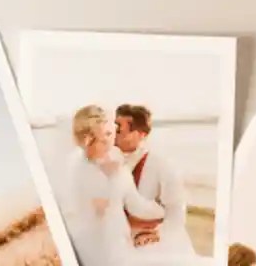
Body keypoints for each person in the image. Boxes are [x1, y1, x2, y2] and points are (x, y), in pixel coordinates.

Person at [62, 105, 166, 266]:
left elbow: (134, 203)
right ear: (87, 139)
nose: (112, 140)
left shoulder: (115, 160)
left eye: (113, 133)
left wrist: (162, 210)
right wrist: (109, 181)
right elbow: (87, 213)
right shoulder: (74, 167)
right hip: (91, 250)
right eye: (107, 134)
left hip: (120, 247)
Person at [115, 104, 195, 256]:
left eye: (120, 130)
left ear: (141, 134)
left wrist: (158, 235)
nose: (114, 134)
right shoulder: (108, 161)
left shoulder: (162, 164)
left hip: (156, 245)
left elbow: (176, 209)